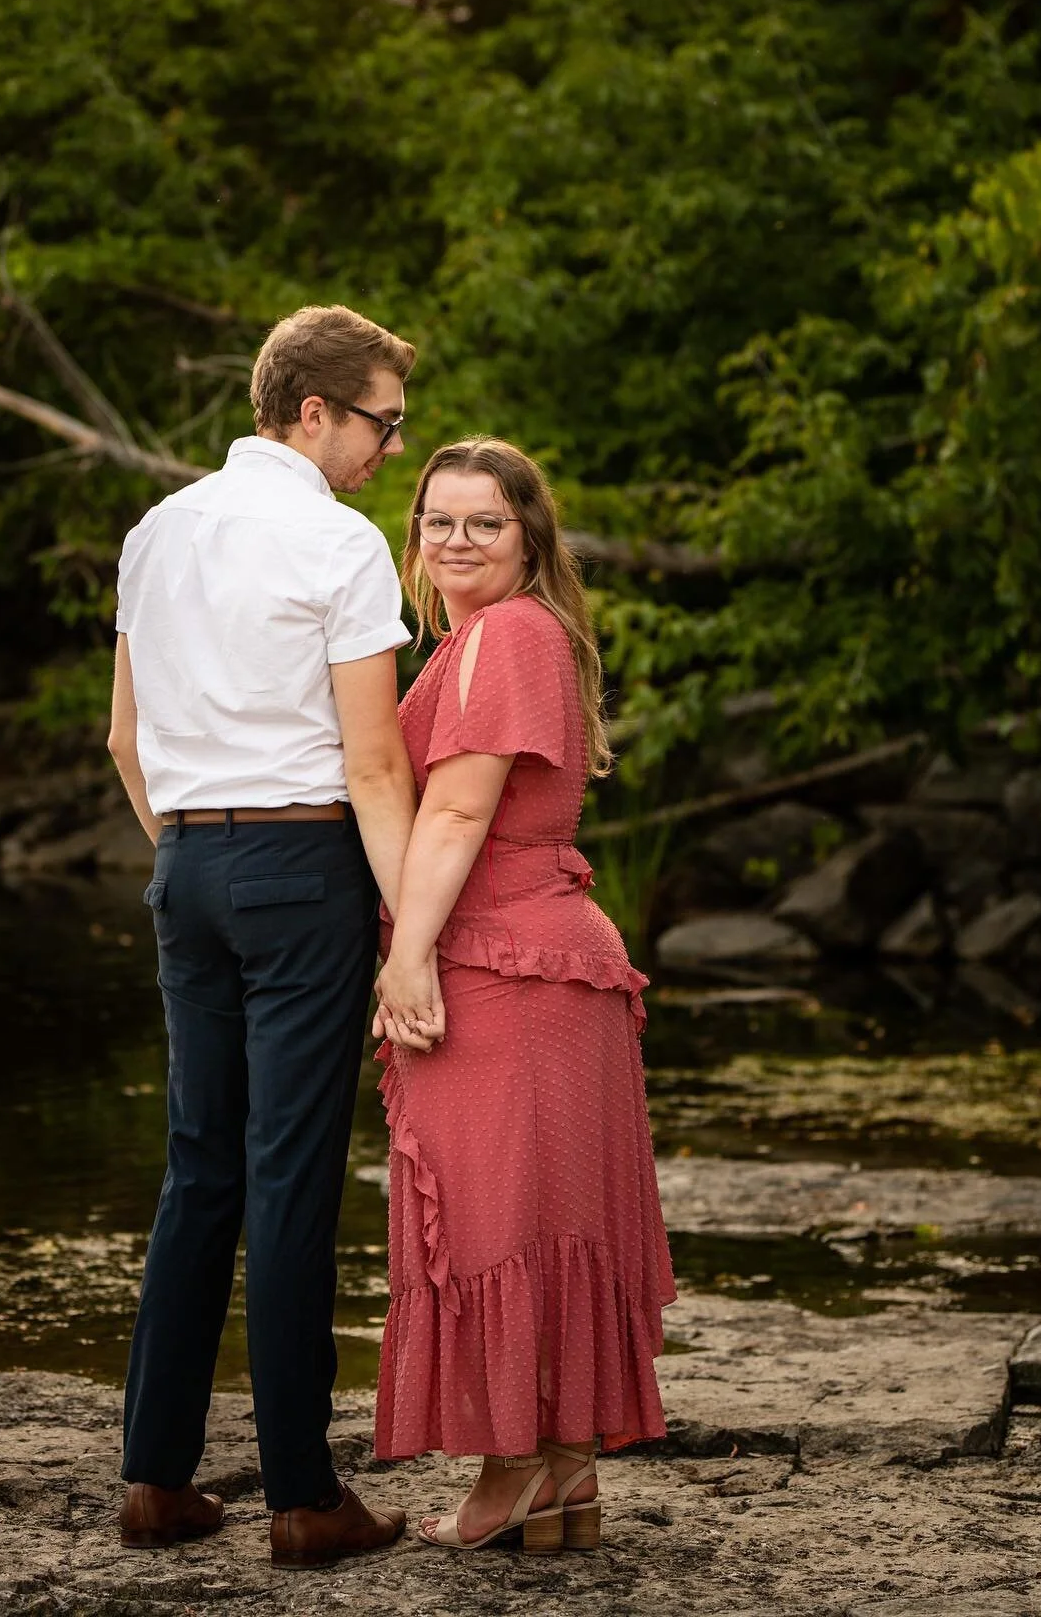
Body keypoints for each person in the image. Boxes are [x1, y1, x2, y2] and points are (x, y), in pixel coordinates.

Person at [107, 305, 440, 1570]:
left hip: (185, 856)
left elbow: (125, 744)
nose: (389, 450)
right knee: (291, 1174)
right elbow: (371, 760)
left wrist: (194, 857)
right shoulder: (340, 543)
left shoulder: (159, 527)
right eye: (380, 422)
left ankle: (156, 1479)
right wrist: (411, 931)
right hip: (302, 862)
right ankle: (305, 1496)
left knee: (201, 1166)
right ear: (313, 412)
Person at [371, 437, 675, 1552]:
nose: (455, 542)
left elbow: (455, 816)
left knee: (497, 1223)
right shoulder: (501, 639)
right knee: (541, 1220)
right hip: (544, 959)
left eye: (483, 524)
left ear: (529, 538)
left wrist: (408, 958)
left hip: (504, 962)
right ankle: (561, 1475)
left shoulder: (503, 634)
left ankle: (511, 1480)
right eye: (437, 522)